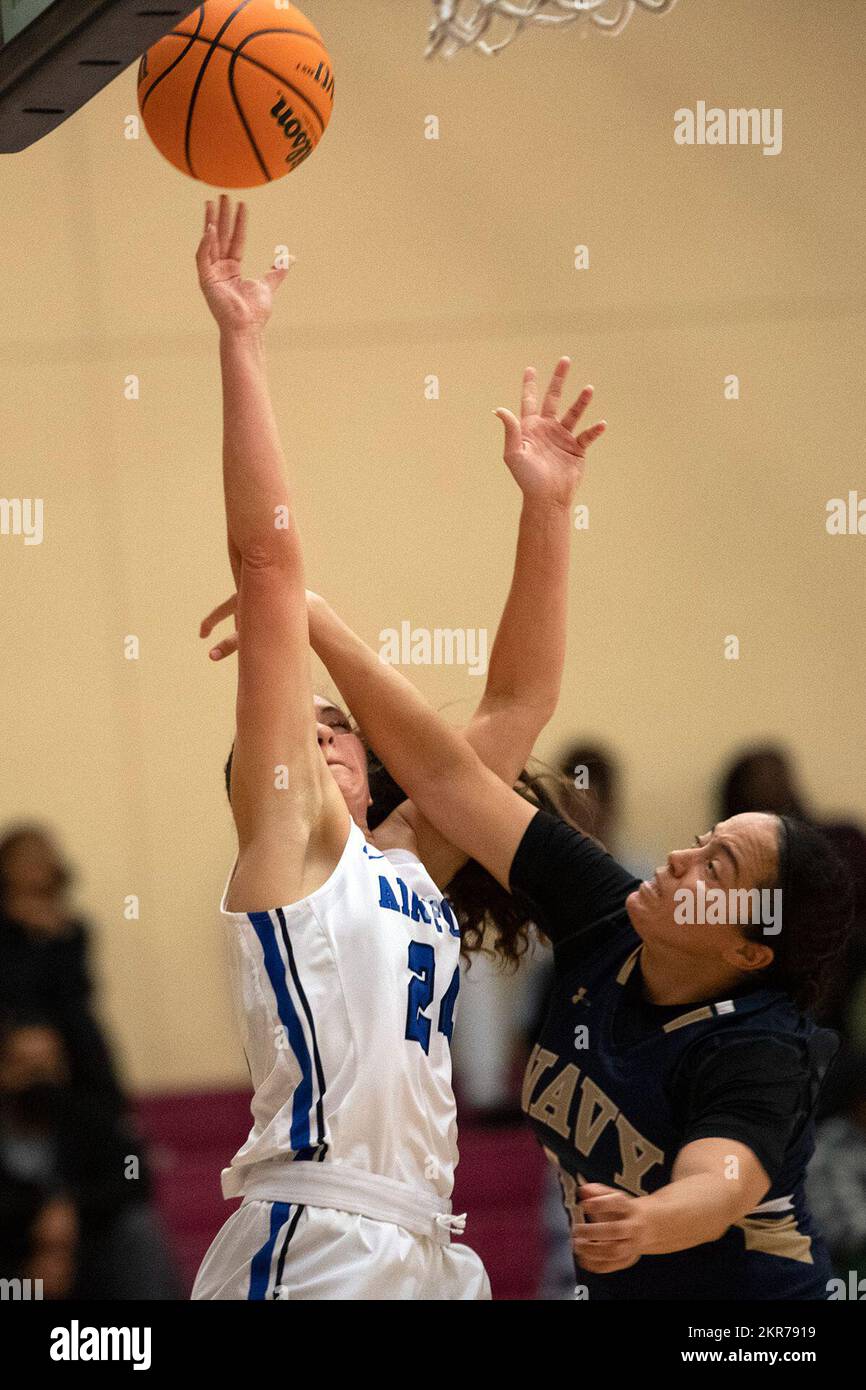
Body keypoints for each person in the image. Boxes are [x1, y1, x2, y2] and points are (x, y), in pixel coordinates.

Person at [190, 196, 605, 1300]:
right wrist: (242, 341)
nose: (326, 739)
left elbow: (518, 697)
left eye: (341, 730)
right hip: (319, 1231)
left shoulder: (411, 859)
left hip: (427, 1244)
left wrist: (547, 510)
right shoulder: (287, 847)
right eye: (302, 732)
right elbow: (269, 568)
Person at [286, 548, 855, 1301]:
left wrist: (648, 1223)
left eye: (717, 868)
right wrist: (315, 618)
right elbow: (456, 774)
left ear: (750, 949)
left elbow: (719, 1184)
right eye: (703, 839)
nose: (684, 856)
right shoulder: (609, 912)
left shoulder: (759, 1047)